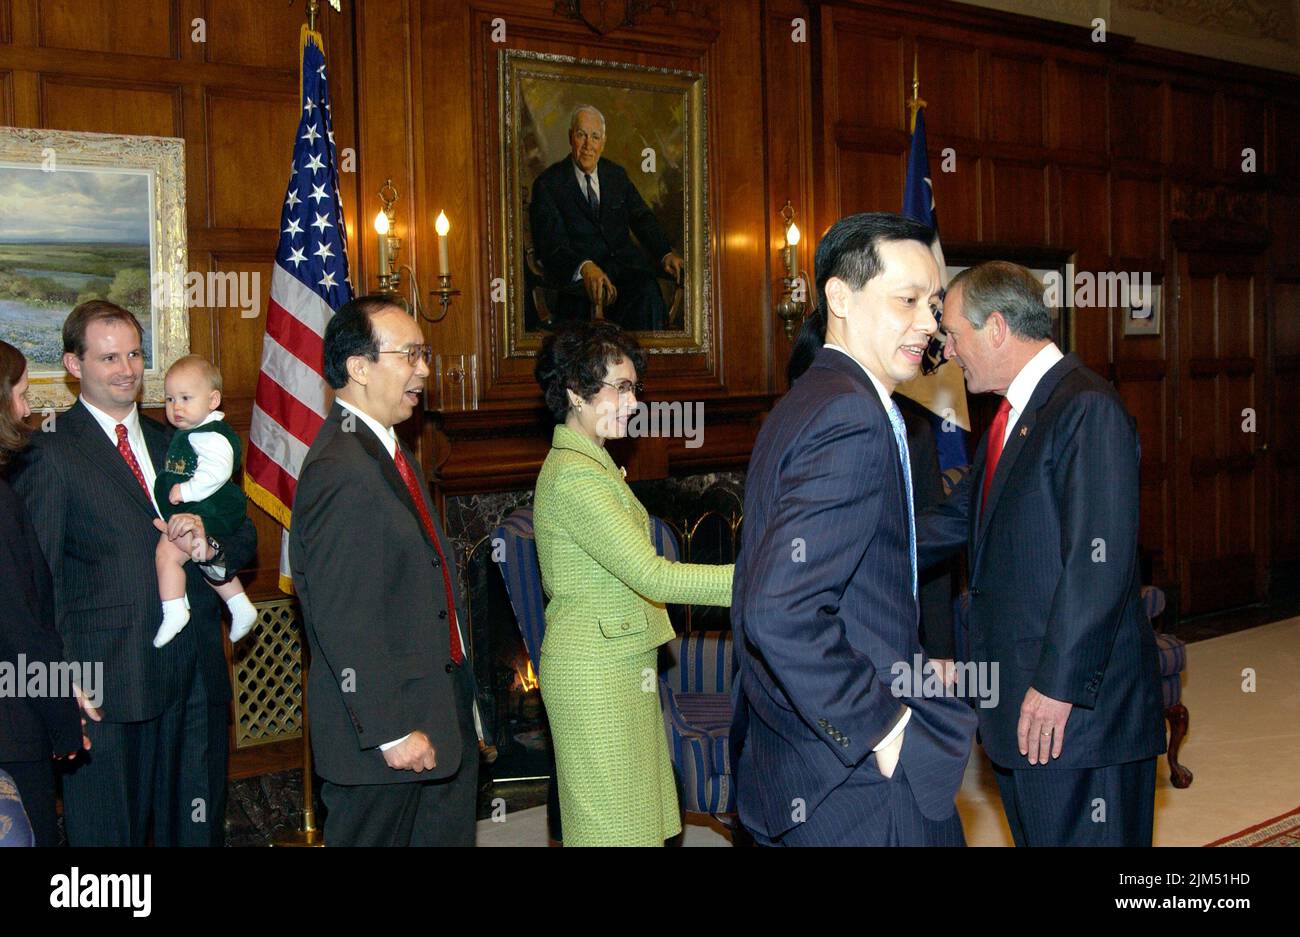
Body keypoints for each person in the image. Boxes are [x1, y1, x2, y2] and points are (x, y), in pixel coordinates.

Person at [731, 212, 977, 846]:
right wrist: (885, 731)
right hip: (854, 785)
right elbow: (777, 609)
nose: (929, 322)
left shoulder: (815, 398)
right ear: (839, 297)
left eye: (934, 302)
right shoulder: (851, 415)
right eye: (907, 300)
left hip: (806, 763)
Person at [917, 260, 1165, 846]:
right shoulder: (1013, 418)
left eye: (953, 334)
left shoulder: (1086, 408)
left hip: (1075, 716)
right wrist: (853, 541)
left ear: (996, 328)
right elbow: (958, 521)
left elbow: (1097, 564)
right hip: (1022, 713)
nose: (948, 351)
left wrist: (1057, 687)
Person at [11, 301, 257, 847]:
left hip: (193, 676)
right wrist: (58, 678)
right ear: (74, 366)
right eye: (108, 358)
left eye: (135, 354)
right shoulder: (48, 451)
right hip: (107, 687)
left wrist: (208, 545)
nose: (126, 369)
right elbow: (36, 580)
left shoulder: (183, 438)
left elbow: (242, 534)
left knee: (195, 831)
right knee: (109, 847)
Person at [532, 321, 732, 845]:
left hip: (621, 666)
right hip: (595, 677)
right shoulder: (577, 476)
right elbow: (650, 573)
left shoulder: (591, 463)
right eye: (619, 388)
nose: (633, 400)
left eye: (634, 387)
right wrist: (752, 578)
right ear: (576, 393)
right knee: (610, 829)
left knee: (635, 824)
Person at [290, 295, 477, 847]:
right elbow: (343, 617)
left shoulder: (387, 451)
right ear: (359, 368)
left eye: (424, 354)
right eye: (409, 354)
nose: (424, 369)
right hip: (386, 745)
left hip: (434, 720)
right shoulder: (340, 470)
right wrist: (391, 731)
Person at [0, 340, 97, 846]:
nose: (27, 408)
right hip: (12, 726)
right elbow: (19, 624)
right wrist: (62, 719)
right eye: (18, 394)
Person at [529, 104, 685, 331]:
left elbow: (641, 217)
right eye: (581, 135)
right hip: (580, 291)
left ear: (603, 142)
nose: (587, 145)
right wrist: (584, 266)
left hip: (626, 276)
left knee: (647, 292)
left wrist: (664, 253)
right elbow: (551, 245)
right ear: (571, 136)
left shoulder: (616, 175)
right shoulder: (548, 184)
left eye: (595, 137)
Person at [152, 355, 257, 648]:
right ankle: (236, 604)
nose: (176, 407)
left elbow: (218, 471)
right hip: (197, 511)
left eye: (186, 398)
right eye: (170, 399)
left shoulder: (209, 435)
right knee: (184, 552)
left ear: (213, 400)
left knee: (170, 551)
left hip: (212, 508)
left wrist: (186, 492)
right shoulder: (186, 434)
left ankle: (175, 610)